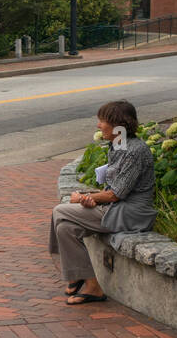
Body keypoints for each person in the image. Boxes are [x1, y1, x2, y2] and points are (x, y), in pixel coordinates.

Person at [48, 99, 157, 306]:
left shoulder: (134, 151)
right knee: (65, 228)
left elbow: (116, 194)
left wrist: (81, 197)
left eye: (102, 121)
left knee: (59, 211)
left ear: (119, 125)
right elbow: (111, 189)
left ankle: (75, 274)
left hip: (131, 213)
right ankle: (91, 286)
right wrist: (92, 199)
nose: (98, 125)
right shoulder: (118, 146)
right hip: (115, 207)